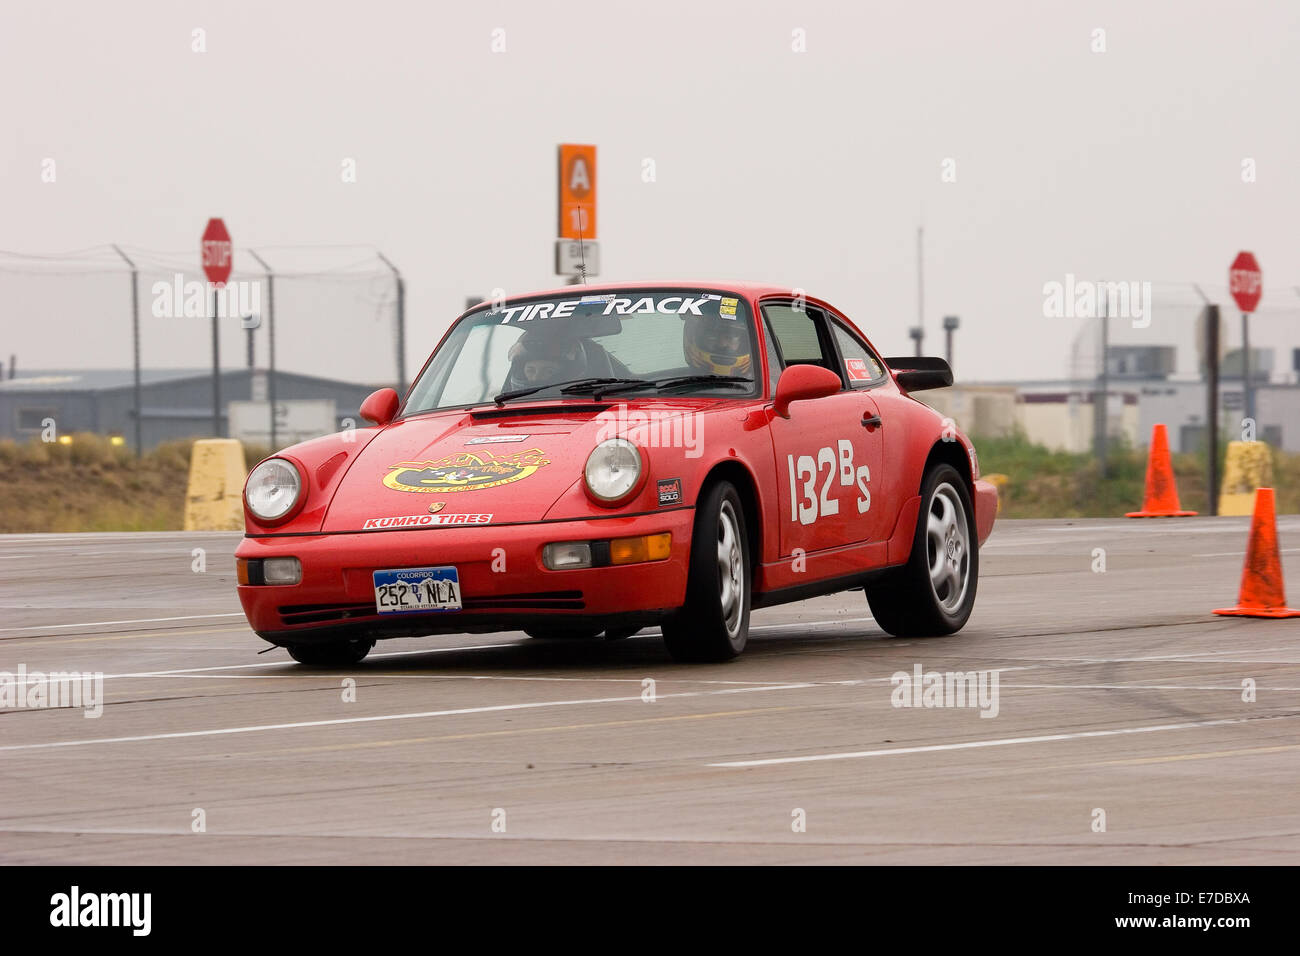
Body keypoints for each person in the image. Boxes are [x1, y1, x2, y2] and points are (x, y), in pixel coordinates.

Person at [683, 314, 752, 376]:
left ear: (743, 342)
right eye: (713, 336)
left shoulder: (759, 381)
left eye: (731, 337)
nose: (722, 344)